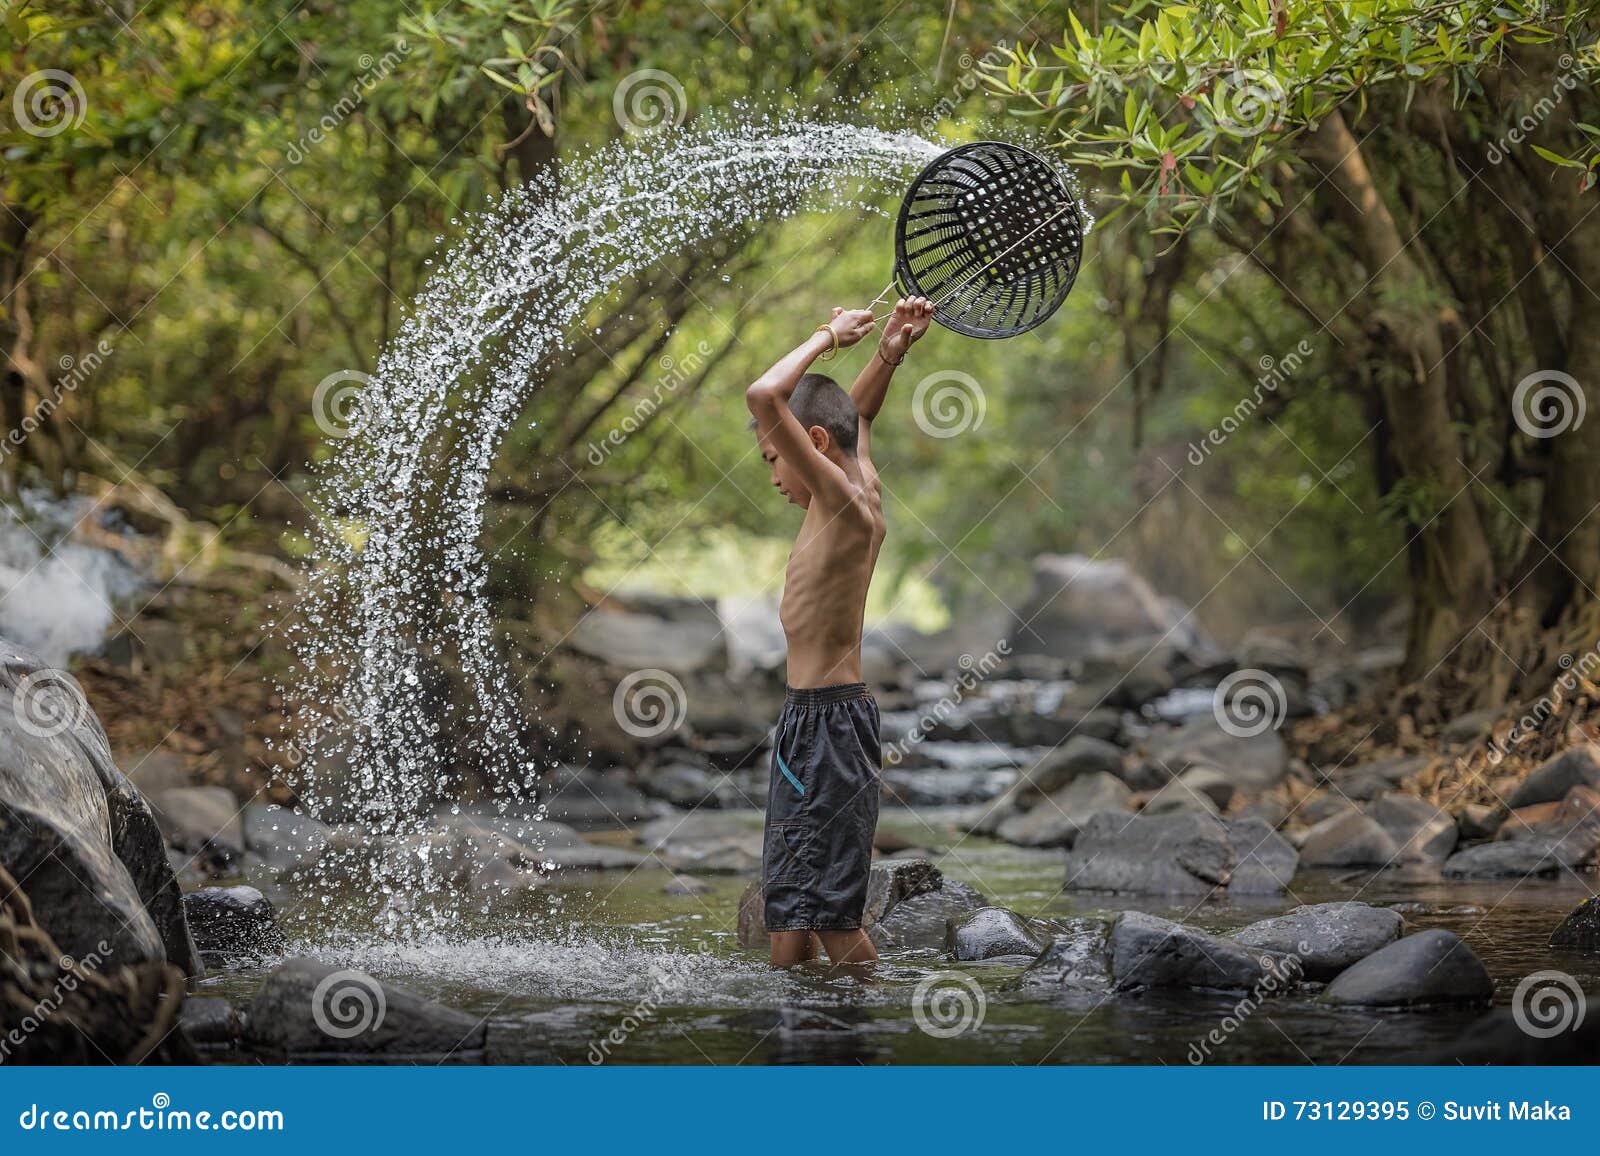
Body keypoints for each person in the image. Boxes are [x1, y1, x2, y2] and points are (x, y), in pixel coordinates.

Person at [743, 296, 935, 967]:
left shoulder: (846, 505)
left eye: (775, 459)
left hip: (828, 729)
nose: (773, 476)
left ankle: (861, 1042)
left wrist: (828, 336)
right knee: (788, 918)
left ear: (814, 446)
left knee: (828, 919)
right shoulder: (858, 479)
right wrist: (886, 352)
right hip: (812, 724)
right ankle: (800, 1050)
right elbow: (859, 416)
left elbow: (765, 393)